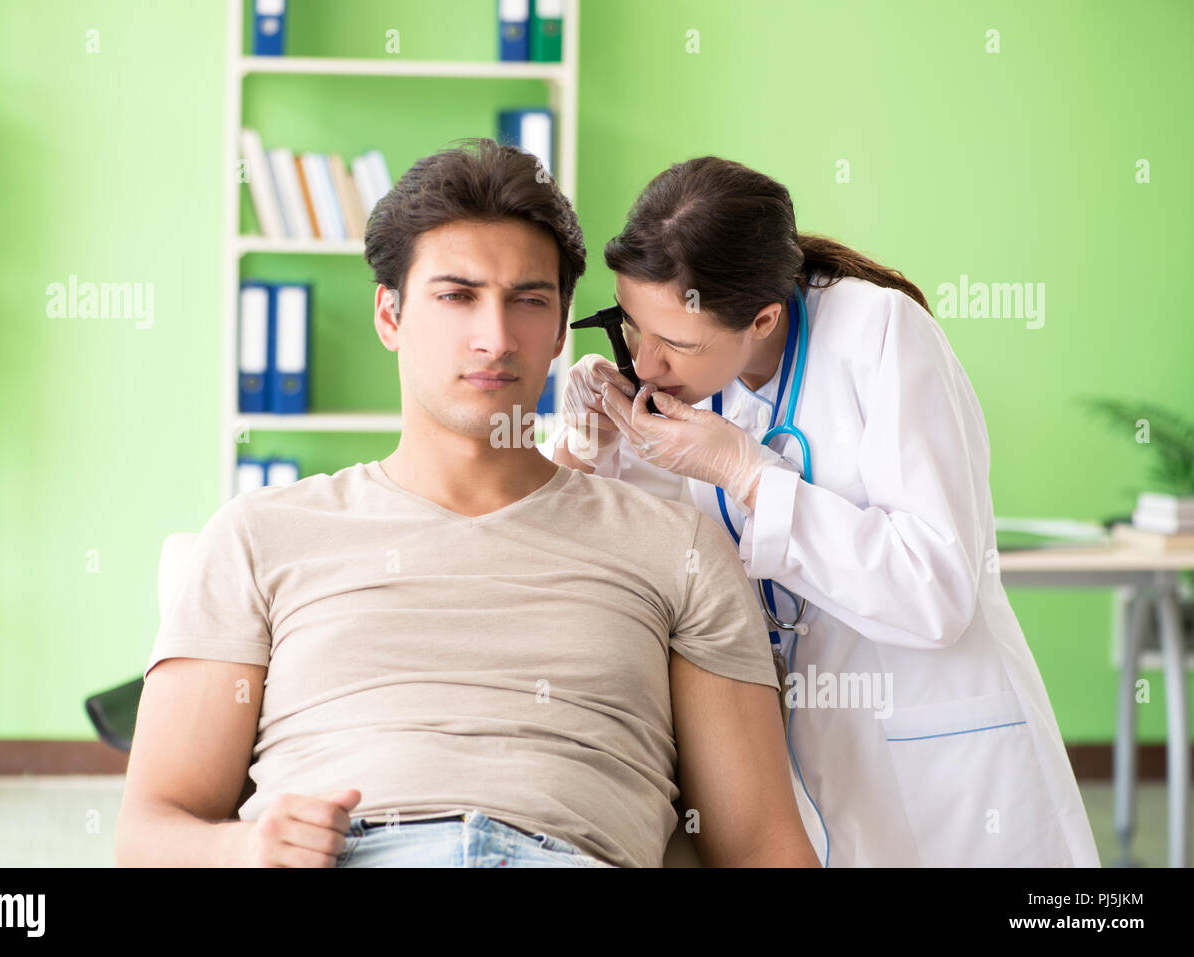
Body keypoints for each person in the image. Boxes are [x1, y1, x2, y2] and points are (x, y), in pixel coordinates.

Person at [114, 139, 819, 869]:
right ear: (389, 315)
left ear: (557, 335)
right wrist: (243, 848)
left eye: (529, 301)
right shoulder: (260, 535)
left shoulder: (681, 548)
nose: (495, 337)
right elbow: (148, 833)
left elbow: (763, 845)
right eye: (457, 296)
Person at [541, 156, 1100, 867]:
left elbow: (937, 589)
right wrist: (603, 445)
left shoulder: (879, 335)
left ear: (763, 317)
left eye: (673, 342)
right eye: (631, 327)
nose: (645, 364)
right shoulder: (698, 377)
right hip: (801, 767)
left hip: (948, 771)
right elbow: (667, 557)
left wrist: (749, 474)